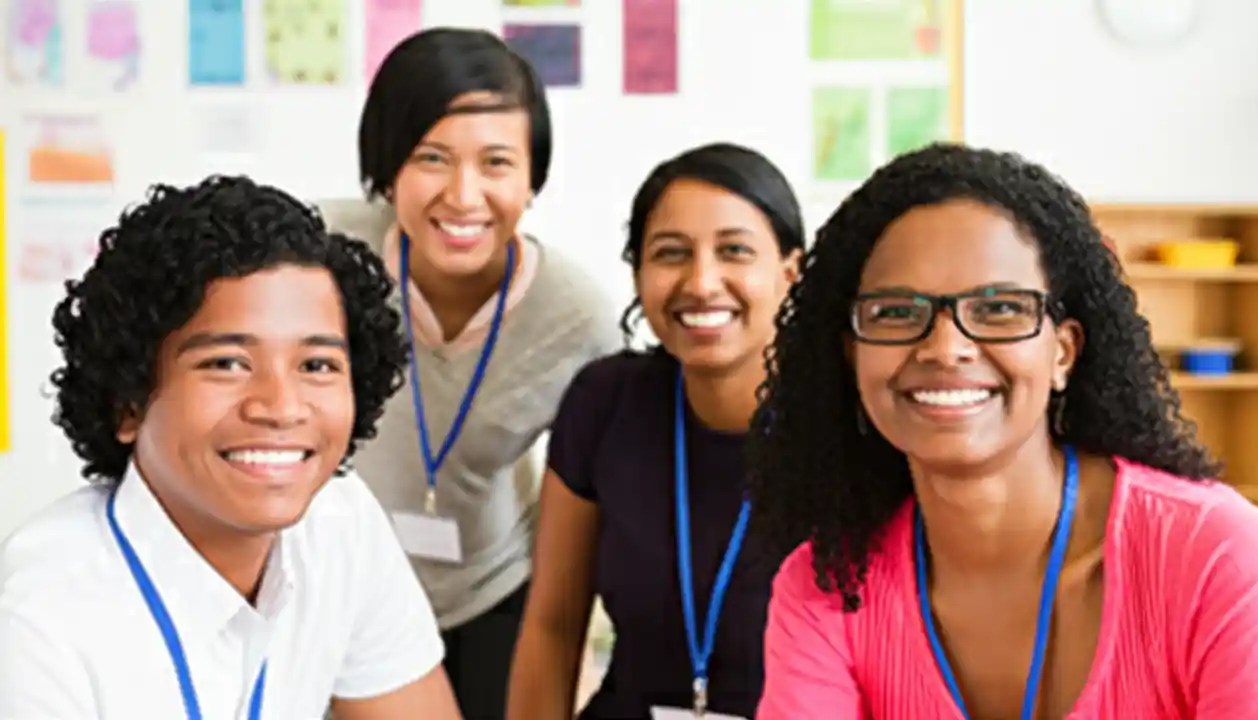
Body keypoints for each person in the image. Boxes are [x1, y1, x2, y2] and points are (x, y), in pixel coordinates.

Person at [748, 143, 1258, 718]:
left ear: (1063, 353)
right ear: (852, 356)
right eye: (897, 312)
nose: (945, 348)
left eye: (999, 309)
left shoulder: (1221, 559)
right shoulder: (827, 585)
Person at [0, 176, 462, 718]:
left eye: (316, 365)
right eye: (226, 364)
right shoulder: (34, 619)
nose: (281, 406)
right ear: (128, 401)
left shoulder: (342, 521)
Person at [323, 27, 617, 718]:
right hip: (347, 588)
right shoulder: (323, 257)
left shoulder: (576, 318)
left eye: (495, 162)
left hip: (493, 591)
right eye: (432, 157)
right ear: (388, 165)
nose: (463, 195)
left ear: (531, 178)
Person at [508, 142, 804, 719]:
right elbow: (552, 626)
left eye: (734, 251)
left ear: (789, 275)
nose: (701, 282)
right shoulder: (605, 402)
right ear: (639, 273)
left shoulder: (854, 425)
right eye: (671, 254)